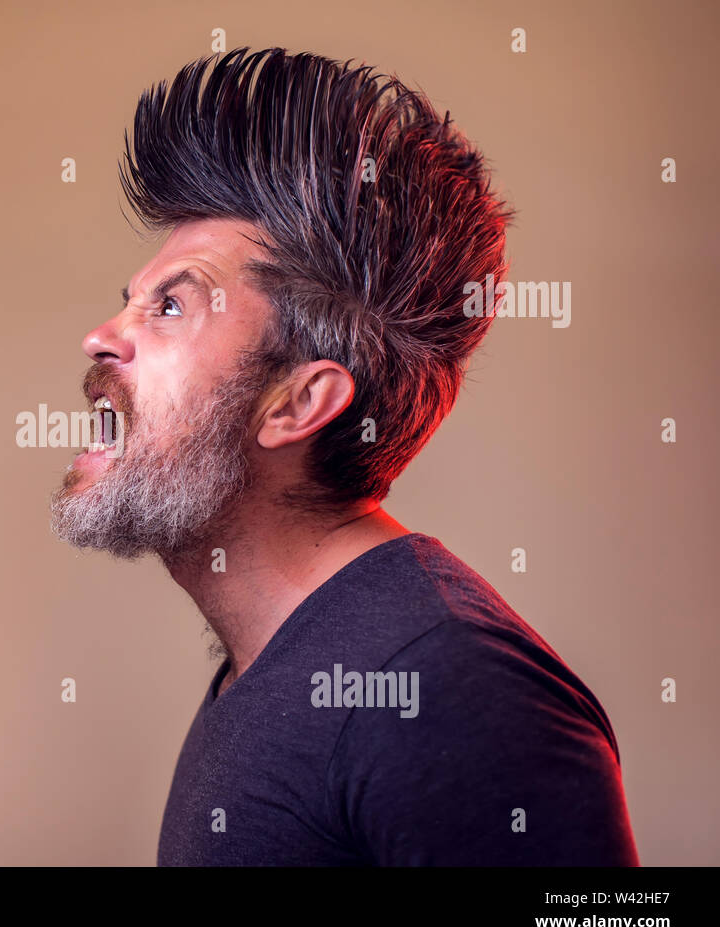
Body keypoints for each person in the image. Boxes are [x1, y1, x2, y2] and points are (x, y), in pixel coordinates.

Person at [49, 47, 638, 865]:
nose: (102, 337)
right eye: (131, 303)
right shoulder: (273, 666)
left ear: (297, 402)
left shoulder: (446, 688)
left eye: (171, 306)